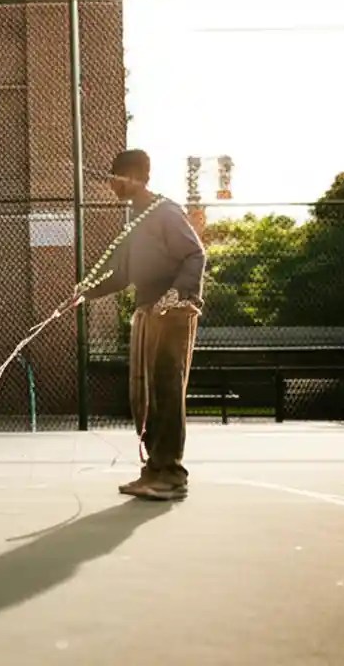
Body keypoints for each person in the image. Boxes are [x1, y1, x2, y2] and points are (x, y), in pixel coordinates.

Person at [77, 149, 206, 501]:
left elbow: (195, 254)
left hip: (173, 315)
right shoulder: (135, 218)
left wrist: (178, 295)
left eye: (116, 177)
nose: (111, 185)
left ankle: (173, 474)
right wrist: (86, 293)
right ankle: (154, 469)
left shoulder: (165, 211)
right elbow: (122, 274)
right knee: (145, 394)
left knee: (167, 389)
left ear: (133, 177)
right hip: (149, 312)